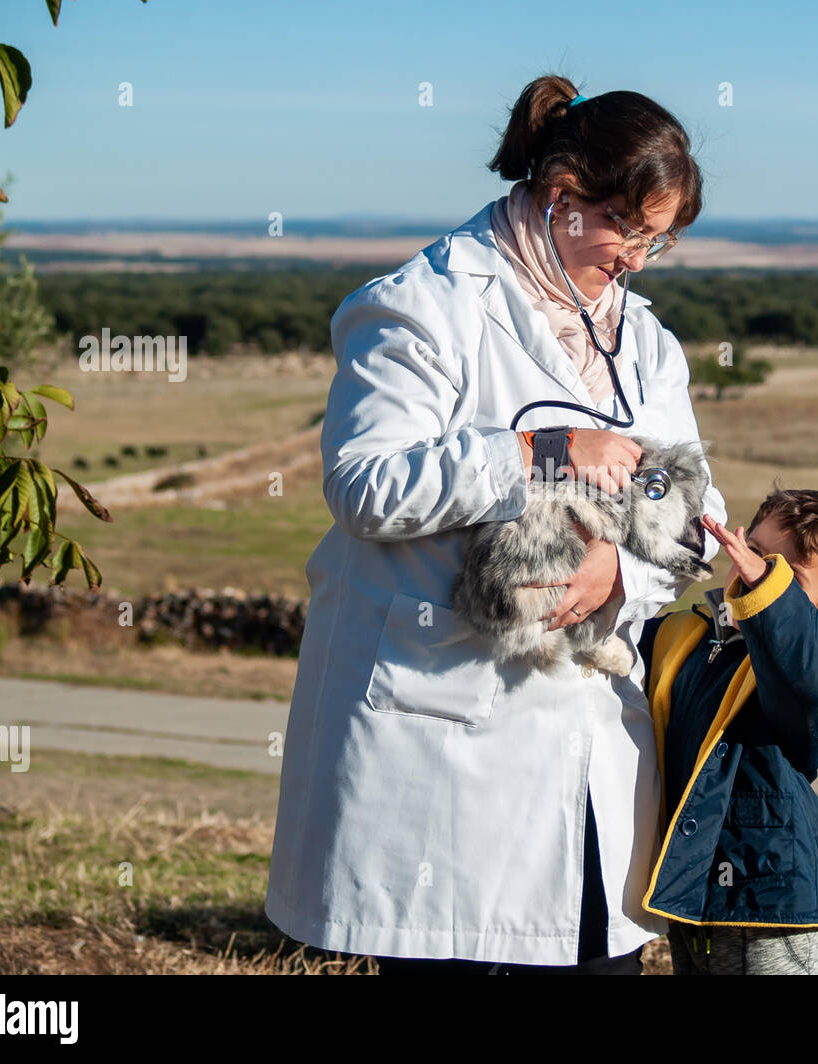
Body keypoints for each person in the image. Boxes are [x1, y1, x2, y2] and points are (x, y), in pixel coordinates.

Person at [263, 74, 727, 973]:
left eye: (659, 242)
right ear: (561, 198)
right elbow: (363, 485)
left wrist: (621, 578)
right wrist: (536, 451)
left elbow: (695, 509)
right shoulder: (421, 305)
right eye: (630, 231)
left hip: (594, 747)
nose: (638, 259)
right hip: (447, 736)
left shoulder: (643, 339)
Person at [635, 488, 818, 974]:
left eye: (788, 575)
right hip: (694, 889)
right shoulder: (685, 634)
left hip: (772, 900)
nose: (757, 571)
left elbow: (813, 688)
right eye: (758, 554)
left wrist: (769, 593)